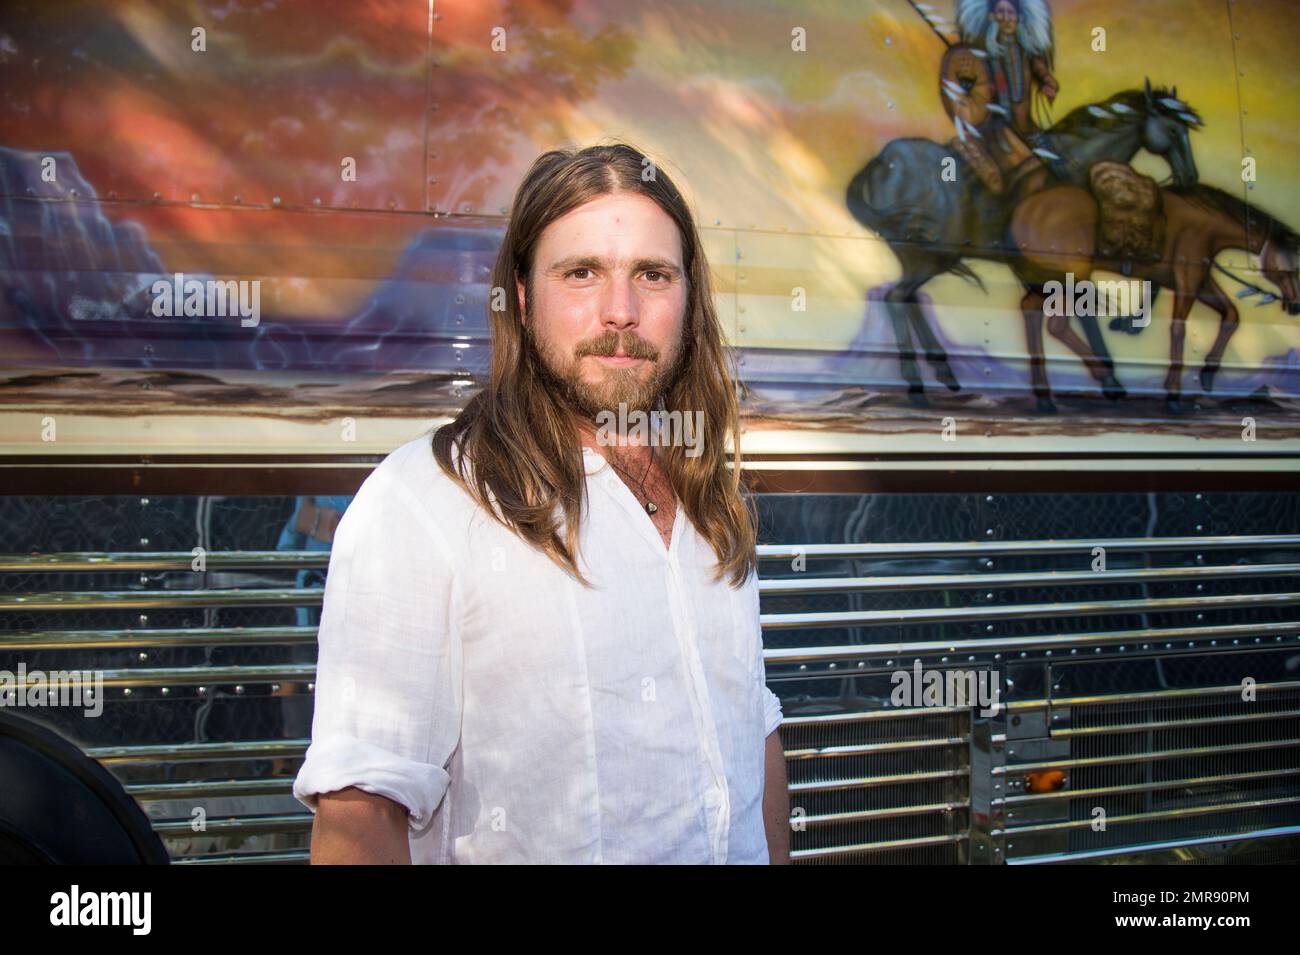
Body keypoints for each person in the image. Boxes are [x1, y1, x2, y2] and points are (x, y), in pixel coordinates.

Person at [292, 142, 790, 864]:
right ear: (522, 299)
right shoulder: (424, 505)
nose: (621, 312)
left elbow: (755, 737)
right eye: (581, 273)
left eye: (653, 275)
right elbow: (358, 818)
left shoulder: (711, 500)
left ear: (689, 296)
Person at [945, 0, 1059, 195]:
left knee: (1056, 167)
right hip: (995, 128)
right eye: (1001, 12)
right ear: (992, 17)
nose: (1006, 19)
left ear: (1019, 18)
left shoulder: (1028, 51)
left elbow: (1043, 73)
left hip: (1026, 127)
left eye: (1010, 13)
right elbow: (968, 78)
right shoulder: (983, 52)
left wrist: (1048, 84)